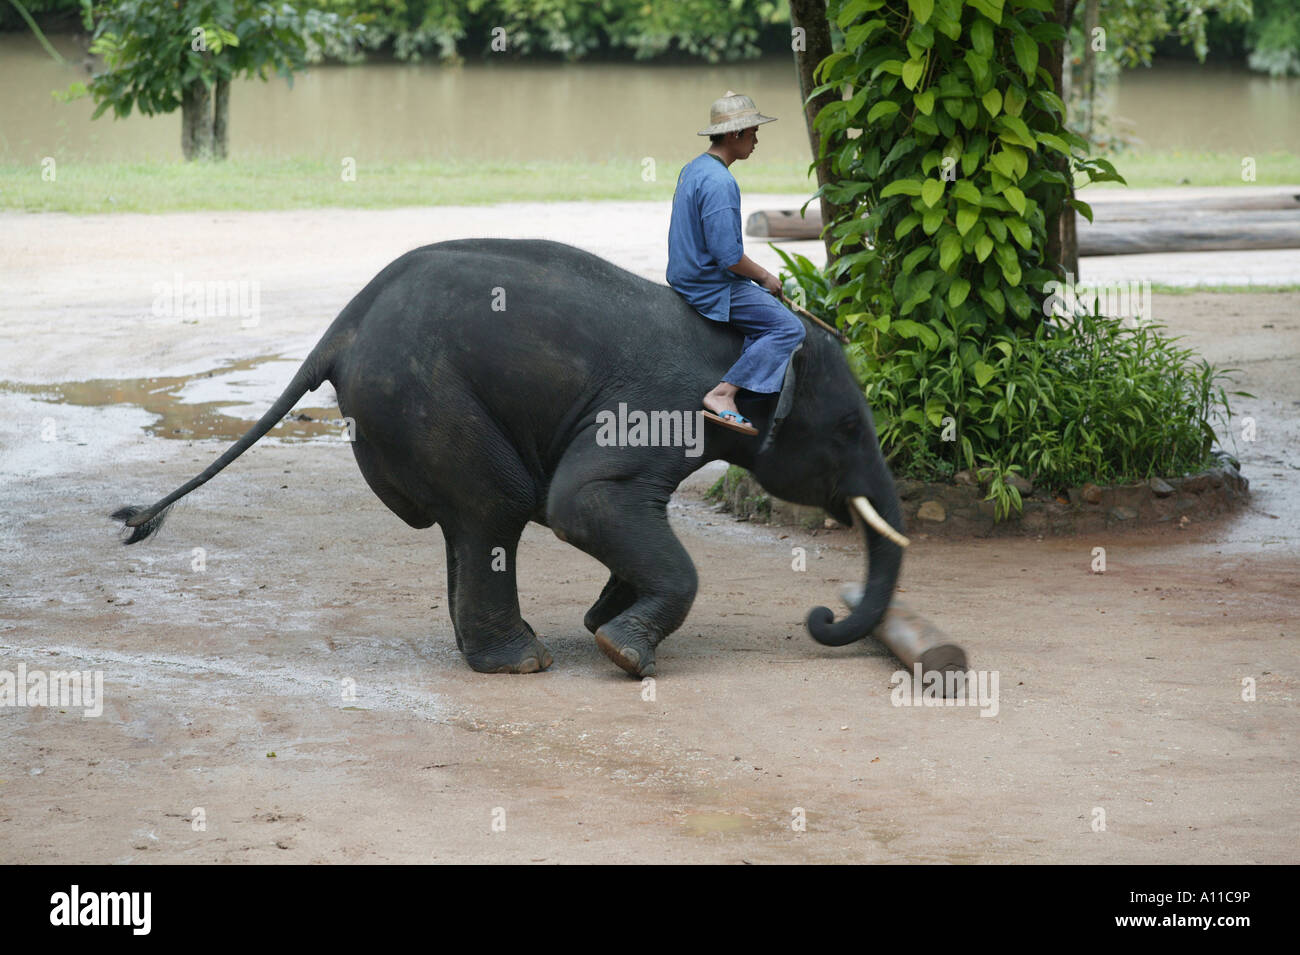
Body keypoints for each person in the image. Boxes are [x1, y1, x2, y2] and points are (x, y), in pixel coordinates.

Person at [667, 91, 806, 436]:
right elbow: (728, 257)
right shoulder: (720, 182)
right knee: (789, 328)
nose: (757, 140)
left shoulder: (694, 168)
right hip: (710, 284)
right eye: (753, 132)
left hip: (685, 273)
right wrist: (765, 277)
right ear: (735, 135)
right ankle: (724, 393)